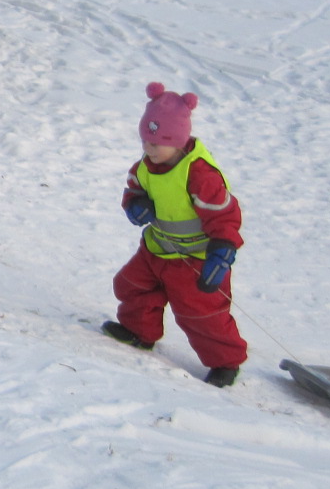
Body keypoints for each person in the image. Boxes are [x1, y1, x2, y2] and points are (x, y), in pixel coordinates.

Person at [102, 82, 246, 387]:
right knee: (130, 286)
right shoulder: (144, 166)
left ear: (178, 141)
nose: (149, 149)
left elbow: (224, 216)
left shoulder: (200, 175)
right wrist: (135, 205)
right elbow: (134, 189)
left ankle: (225, 362)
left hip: (196, 260)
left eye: (157, 143)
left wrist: (222, 251)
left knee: (201, 314)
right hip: (156, 250)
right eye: (145, 141)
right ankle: (139, 332)